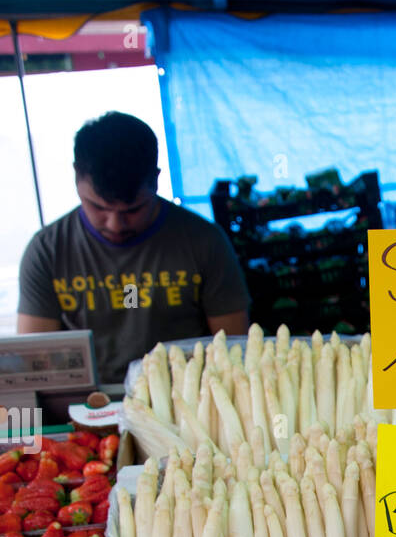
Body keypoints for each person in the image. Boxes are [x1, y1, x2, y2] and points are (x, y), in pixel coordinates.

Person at [17, 112, 249, 383]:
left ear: (156, 180)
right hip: (92, 402)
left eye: (133, 209)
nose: (115, 224)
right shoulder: (47, 251)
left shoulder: (205, 242)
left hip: (186, 398)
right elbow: (34, 366)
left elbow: (235, 353)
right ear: (76, 178)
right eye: (98, 207)